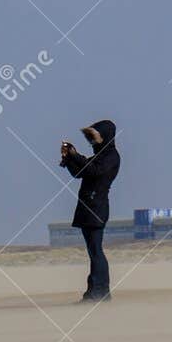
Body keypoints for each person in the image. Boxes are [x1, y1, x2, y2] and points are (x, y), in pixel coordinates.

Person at [59, 119, 120, 302]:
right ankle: (96, 291)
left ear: (105, 137)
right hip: (89, 207)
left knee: (96, 251)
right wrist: (69, 159)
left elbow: (93, 171)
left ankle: (100, 292)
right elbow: (80, 173)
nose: (92, 143)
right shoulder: (100, 156)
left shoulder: (111, 157)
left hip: (96, 208)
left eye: (95, 139)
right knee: (93, 250)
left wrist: (75, 155)